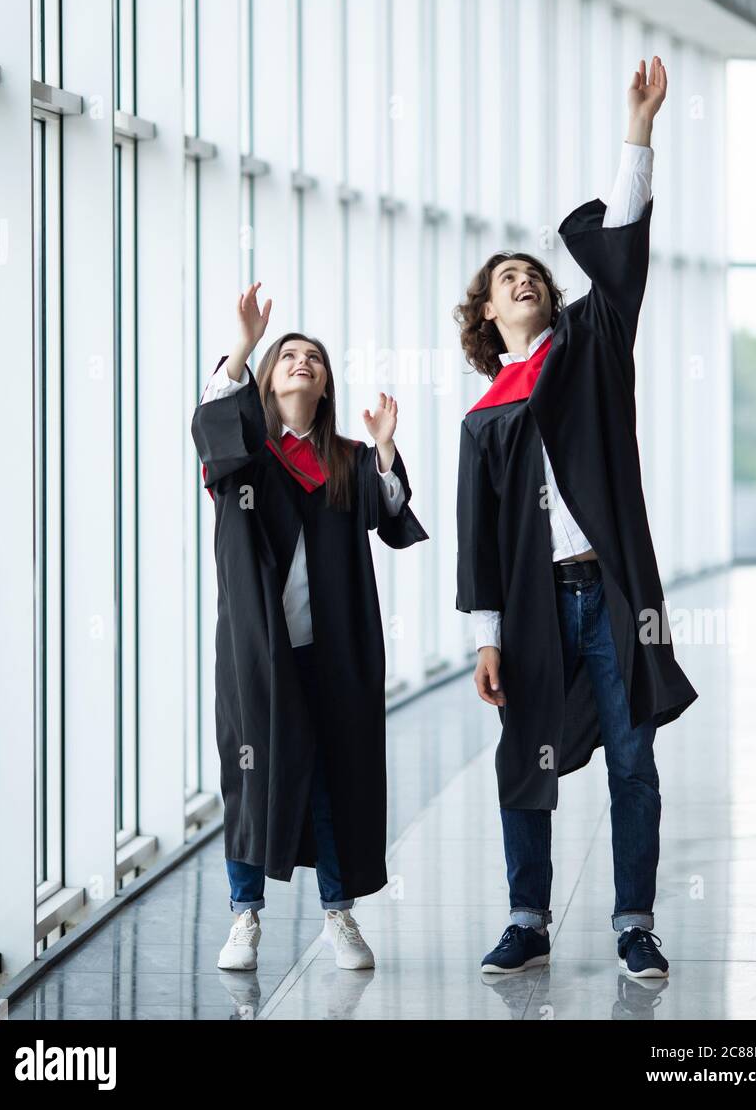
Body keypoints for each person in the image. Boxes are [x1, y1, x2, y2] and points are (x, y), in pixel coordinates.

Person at [454, 57, 698, 980]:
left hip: (615, 587)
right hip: (533, 606)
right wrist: (485, 635)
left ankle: (634, 920)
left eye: (531, 273)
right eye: (504, 277)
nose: (522, 279)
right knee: (527, 759)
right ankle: (528, 916)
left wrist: (637, 132)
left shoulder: (590, 344)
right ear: (485, 313)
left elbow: (624, 249)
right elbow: (476, 539)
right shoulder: (483, 418)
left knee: (633, 757)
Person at [191, 282, 428, 973]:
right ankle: (244, 919)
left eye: (314, 360)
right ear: (267, 377)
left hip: (334, 654)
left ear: (326, 387)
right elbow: (211, 420)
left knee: (331, 780)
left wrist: (385, 450)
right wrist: (243, 344)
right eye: (288, 355)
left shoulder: (348, 459)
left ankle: (337, 915)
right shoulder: (245, 457)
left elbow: (391, 517)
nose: (302, 363)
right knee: (252, 779)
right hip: (257, 652)